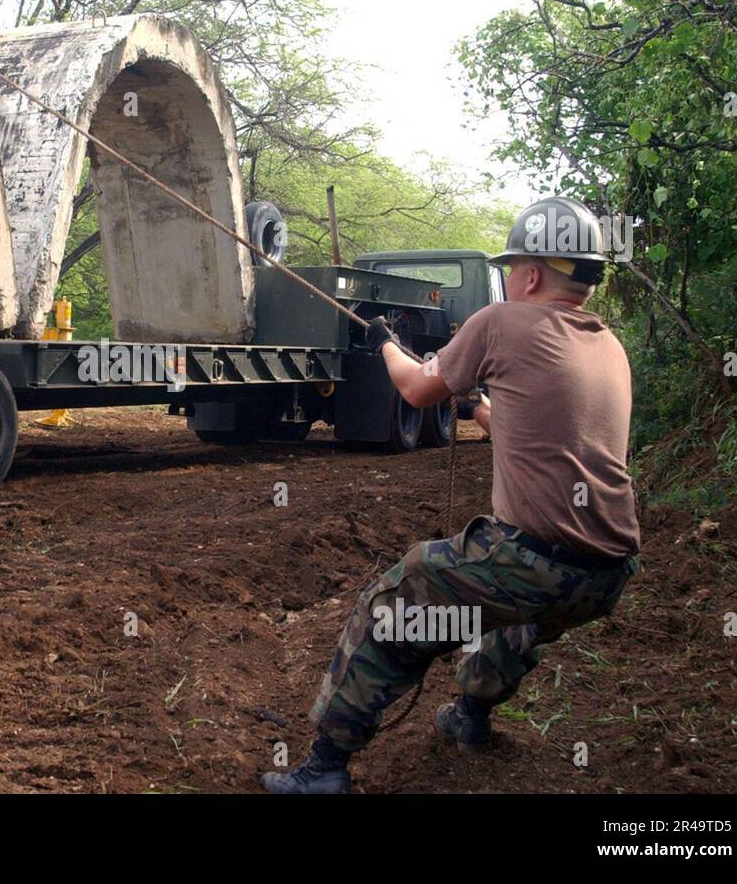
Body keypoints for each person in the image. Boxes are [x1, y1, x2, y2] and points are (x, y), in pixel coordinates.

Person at [262, 196, 641, 794]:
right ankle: (470, 716)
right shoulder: (609, 347)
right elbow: (543, 431)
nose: (509, 278)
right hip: (604, 573)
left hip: (534, 563)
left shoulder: (501, 322)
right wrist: (479, 407)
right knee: (509, 621)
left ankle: (325, 767)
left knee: (392, 599)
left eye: (512, 267)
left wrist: (385, 341)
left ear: (533, 273)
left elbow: (415, 388)